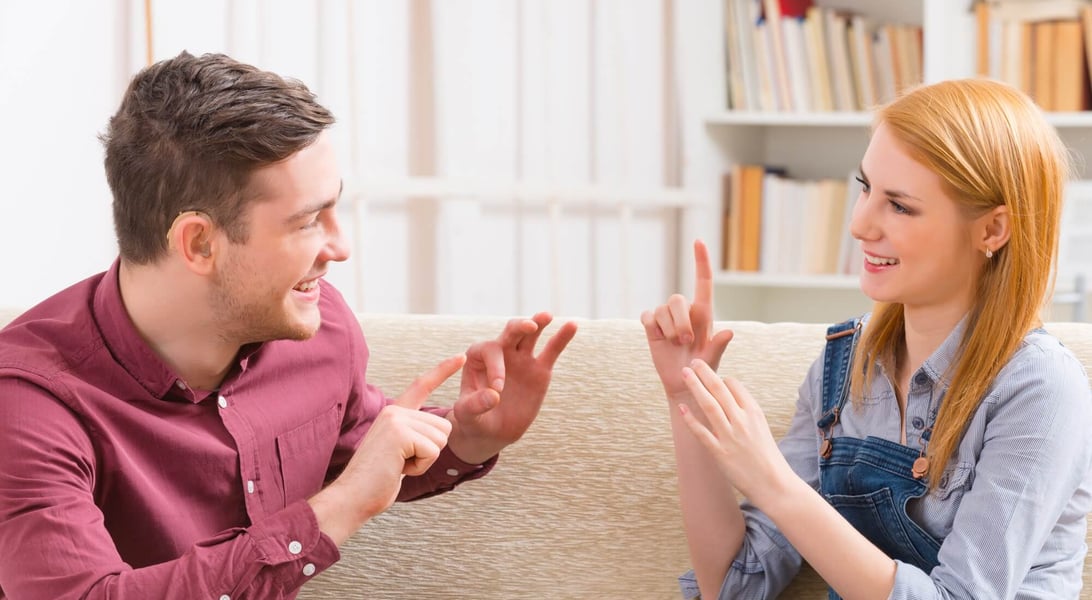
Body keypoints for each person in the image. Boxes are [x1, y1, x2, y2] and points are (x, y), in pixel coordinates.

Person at [0, 51, 577, 600]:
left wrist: (470, 436)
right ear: (199, 243)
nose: (341, 247)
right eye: (307, 222)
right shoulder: (26, 404)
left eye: (334, 209)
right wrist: (339, 508)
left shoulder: (321, 329)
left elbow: (356, 449)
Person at [643, 78, 1092, 599]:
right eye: (865, 188)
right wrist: (687, 395)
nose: (859, 225)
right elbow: (736, 586)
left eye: (899, 206)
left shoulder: (1039, 388)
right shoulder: (843, 367)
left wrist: (776, 485)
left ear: (992, 230)